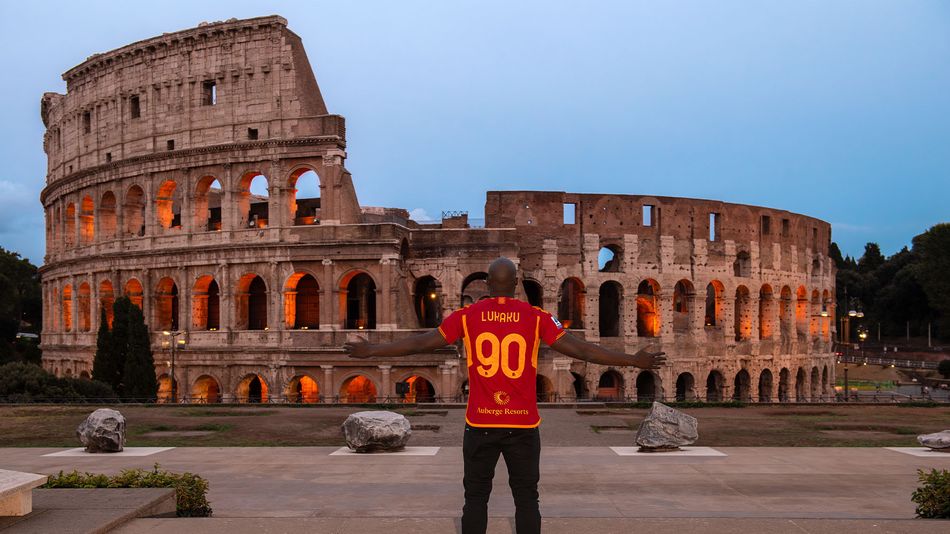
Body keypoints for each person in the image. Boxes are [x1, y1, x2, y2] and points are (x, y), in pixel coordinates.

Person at [343, 257, 666, 534]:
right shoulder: (537, 318)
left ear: (486, 284)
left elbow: (419, 343)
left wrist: (371, 350)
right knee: (527, 497)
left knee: (475, 497)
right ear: (515, 284)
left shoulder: (467, 317)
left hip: (480, 422)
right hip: (522, 426)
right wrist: (633, 360)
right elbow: (583, 349)